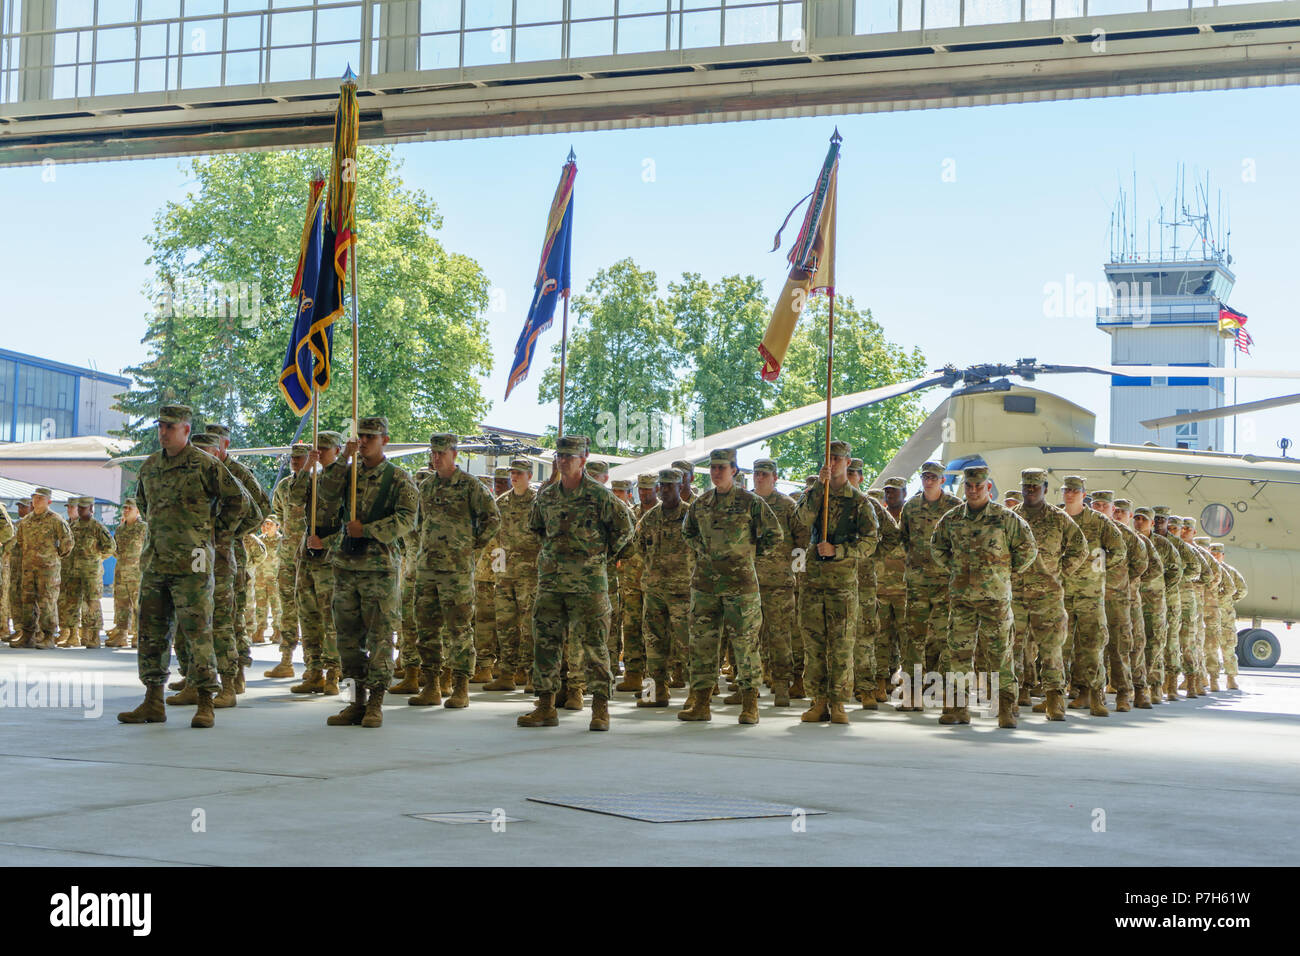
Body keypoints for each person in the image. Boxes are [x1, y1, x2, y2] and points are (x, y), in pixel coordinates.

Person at [118, 405, 247, 728]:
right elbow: (145, 505)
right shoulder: (150, 467)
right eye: (160, 426)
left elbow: (239, 500)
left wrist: (217, 534)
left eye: (170, 427)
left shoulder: (205, 465)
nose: (163, 432)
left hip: (194, 561)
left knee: (197, 632)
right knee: (151, 633)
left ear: (186, 430)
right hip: (157, 559)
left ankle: (205, 701)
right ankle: (152, 700)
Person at [517, 434, 633, 731]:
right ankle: (545, 706)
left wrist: (600, 556)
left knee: (595, 645)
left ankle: (600, 709)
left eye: (570, 456)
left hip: (588, 584)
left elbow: (625, 530)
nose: (564, 461)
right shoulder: (547, 495)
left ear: (583, 459)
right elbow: (537, 528)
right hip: (552, 583)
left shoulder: (600, 495)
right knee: (545, 643)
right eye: (561, 456)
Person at [316, 417, 419, 729]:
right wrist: (342, 460)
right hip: (346, 565)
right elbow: (325, 496)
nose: (363, 441)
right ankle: (354, 701)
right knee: (347, 638)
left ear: (384, 440)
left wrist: (369, 529)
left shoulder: (399, 478)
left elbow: (407, 519)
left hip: (379, 568)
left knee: (379, 637)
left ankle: (375, 701)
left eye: (370, 437)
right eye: (360, 436)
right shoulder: (348, 473)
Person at [677, 447, 782, 725]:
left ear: (734, 470)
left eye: (721, 467)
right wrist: (704, 550)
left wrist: (748, 554)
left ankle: (750, 704)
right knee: (703, 644)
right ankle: (701, 703)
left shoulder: (750, 502)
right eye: (712, 467)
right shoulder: (702, 503)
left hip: (741, 585)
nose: (716, 472)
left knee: (745, 645)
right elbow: (688, 532)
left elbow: (774, 534)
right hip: (705, 584)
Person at [930, 465, 1037, 727]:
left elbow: (1028, 548)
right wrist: (955, 569)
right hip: (963, 598)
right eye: (969, 486)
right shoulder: (952, 518)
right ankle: (957, 707)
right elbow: (937, 547)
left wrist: (1004, 572)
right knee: (959, 654)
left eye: (979, 486)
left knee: (1000, 654)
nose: (974, 490)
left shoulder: (1005, 518)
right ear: (964, 488)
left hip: (995, 599)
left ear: (989, 487)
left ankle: (1005, 708)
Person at [409, 433, 500, 709]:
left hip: (456, 571)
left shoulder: (469, 486)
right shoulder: (426, 487)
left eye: (442, 453)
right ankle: (432, 686)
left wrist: (473, 546)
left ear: (454, 454)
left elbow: (493, 518)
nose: (436, 458)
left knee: (458, 630)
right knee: (426, 629)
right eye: (433, 453)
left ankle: (460, 686)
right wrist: (420, 549)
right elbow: (417, 523)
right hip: (427, 569)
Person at [791, 441, 878, 724]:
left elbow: (870, 542)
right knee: (813, 644)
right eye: (829, 457)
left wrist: (839, 550)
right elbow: (801, 520)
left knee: (841, 645)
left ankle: (839, 703)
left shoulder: (859, 502)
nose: (834, 462)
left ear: (848, 461)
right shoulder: (815, 494)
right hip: (813, 582)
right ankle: (818, 701)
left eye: (839, 458)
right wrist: (818, 486)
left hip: (842, 583)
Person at [1012, 469, 1087, 720]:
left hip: (1047, 595)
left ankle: (1054, 700)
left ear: (1045, 488)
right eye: (1026, 486)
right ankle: (1010, 698)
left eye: (1035, 486)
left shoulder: (1058, 518)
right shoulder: (1011, 517)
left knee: (1051, 648)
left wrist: (1059, 572)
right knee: (1010, 647)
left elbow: (1080, 546)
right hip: (1016, 594)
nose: (1030, 490)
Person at [897, 461, 961, 710]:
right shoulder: (911, 506)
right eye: (925, 476)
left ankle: (941, 690)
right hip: (917, 584)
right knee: (914, 638)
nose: (929, 480)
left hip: (945, 584)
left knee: (944, 638)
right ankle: (911, 694)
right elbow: (904, 539)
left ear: (942, 480)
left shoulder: (955, 507)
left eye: (933, 477)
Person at [1059, 475, 1125, 716]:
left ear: (1083, 493)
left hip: (1090, 593)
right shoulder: (1057, 518)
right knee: (1059, 647)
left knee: (1092, 646)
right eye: (1067, 490)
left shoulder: (1097, 521)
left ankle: (1094, 695)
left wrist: (1097, 568)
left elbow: (1118, 550)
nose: (1070, 494)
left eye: (1075, 491)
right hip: (1062, 592)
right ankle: (1055, 694)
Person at [750, 458, 806, 708]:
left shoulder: (787, 505)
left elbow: (801, 542)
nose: (759, 477)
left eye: (764, 474)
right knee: (746, 637)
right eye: (756, 473)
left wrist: (795, 576)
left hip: (779, 583)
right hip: (747, 582)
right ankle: (748, 687)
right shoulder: (744, 503)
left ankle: (782, 684)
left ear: (775, 477)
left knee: (780, 636)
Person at [635, 468, 692, 709]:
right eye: (663, 485)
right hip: (655, 591)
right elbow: (639, 547)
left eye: (671, 485)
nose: (666, 490)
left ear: (681, 487)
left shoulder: (692, 516)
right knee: (653, 643)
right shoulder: (649, 518)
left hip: (684, 592)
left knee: (689, 645)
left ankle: (697, 696)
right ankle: (655, 692)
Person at [486, 458, 540, 692]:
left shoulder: (538, 502)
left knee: (529, 626)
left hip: (530, 572)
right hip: (505, 572)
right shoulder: (502, 502)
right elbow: (493, 533)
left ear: (529, 475)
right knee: (505, 624)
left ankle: (529, 674)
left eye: (519, 473)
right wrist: (495, 561)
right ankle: (507, 673)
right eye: (512, 473)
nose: (514, 476)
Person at [265, 441, 311, 679]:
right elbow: (280, 514)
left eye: (300, 458)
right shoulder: (283, 486)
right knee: (287, 606)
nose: (295, 461)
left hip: (310, 555)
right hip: (287, 553)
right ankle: (286, 660)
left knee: (311, 608)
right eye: (293, 458)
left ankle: (315, 665)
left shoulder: (316, 484)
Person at [11, 488, 73, 650]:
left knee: (47, 602)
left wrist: (54, 556)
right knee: (28, 602)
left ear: (49, 501)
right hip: (29, 568)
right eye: (35, 498)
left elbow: (67, 542)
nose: (37, 501)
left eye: (41, 498)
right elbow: (21, 541)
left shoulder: (56, 520)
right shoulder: (26, 521)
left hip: (48, 570)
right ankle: (28, 635)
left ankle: (48, 636)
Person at [65, 496, 114, 648]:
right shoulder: (73, 526)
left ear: (91, 509)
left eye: (84, 507)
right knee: (72, 602)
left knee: (92, 603)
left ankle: (93, 635)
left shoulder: (97, 527)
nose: (80, 510)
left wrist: (96, 558)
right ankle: (74, 635)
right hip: (74, 572)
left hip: (91, 573)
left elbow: (111, 547)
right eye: (79, 507)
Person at [106, 498, 148, 648]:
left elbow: (150, 549)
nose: (126, 510)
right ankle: (122, 635)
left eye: (130, 508)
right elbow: (114, 549)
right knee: (121, 605)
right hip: (120, 572)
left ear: (137, 511)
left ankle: (138, 635)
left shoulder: (143, 528)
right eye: (125, 508)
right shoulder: (120, 529)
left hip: (136, 574)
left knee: (138, 605)